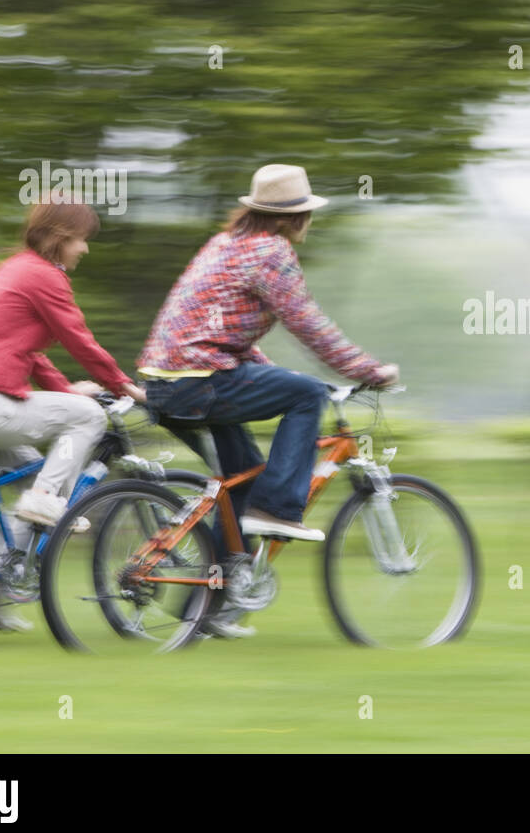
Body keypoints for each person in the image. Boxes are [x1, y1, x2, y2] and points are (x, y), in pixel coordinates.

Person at [138, 164, 397, 636]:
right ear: (293, 218)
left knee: (238, 480)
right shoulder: (271, 253)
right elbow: (309, 324)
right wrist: (367, 371)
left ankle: (206, 611)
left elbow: (223, 334)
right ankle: (278, 510)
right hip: (199, 381)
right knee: (307, 395)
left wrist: (271, 371)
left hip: (169, 380)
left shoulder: (225, 245)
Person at [0, 198, 147, 630]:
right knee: (89, 419)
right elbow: (79, 340)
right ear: (59, 237)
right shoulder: (43, 276)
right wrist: (123, 387)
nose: (84, 249)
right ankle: (47, 501)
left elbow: (26, 353)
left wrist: (65, 390)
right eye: (81, 240)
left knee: (33, 477)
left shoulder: (15, 268)